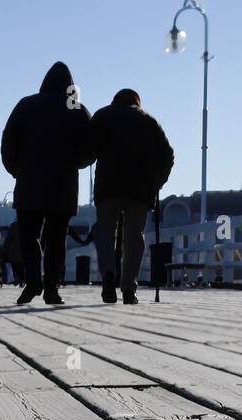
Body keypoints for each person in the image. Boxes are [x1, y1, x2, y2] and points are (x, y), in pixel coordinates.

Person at [0, 61, 91, 305]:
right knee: (56, 239)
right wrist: (77, 164)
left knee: (29, 237)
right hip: (63, 186)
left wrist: (16, 170)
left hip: (30, 183)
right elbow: (90, 148)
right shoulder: (77, 110)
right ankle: (51, 288)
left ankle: (32, 282)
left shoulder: (26, 105)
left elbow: (8, 142)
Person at [89, 88, 174, 304]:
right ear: (137, 102)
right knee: (134, 238)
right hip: (140, 189)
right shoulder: (148, 121)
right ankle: (129, 289)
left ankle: (108, 273)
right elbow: (168, 155)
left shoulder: (103, 116)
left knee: (105, 232)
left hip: (108, 186)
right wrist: (157, 183)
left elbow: (86, 149)